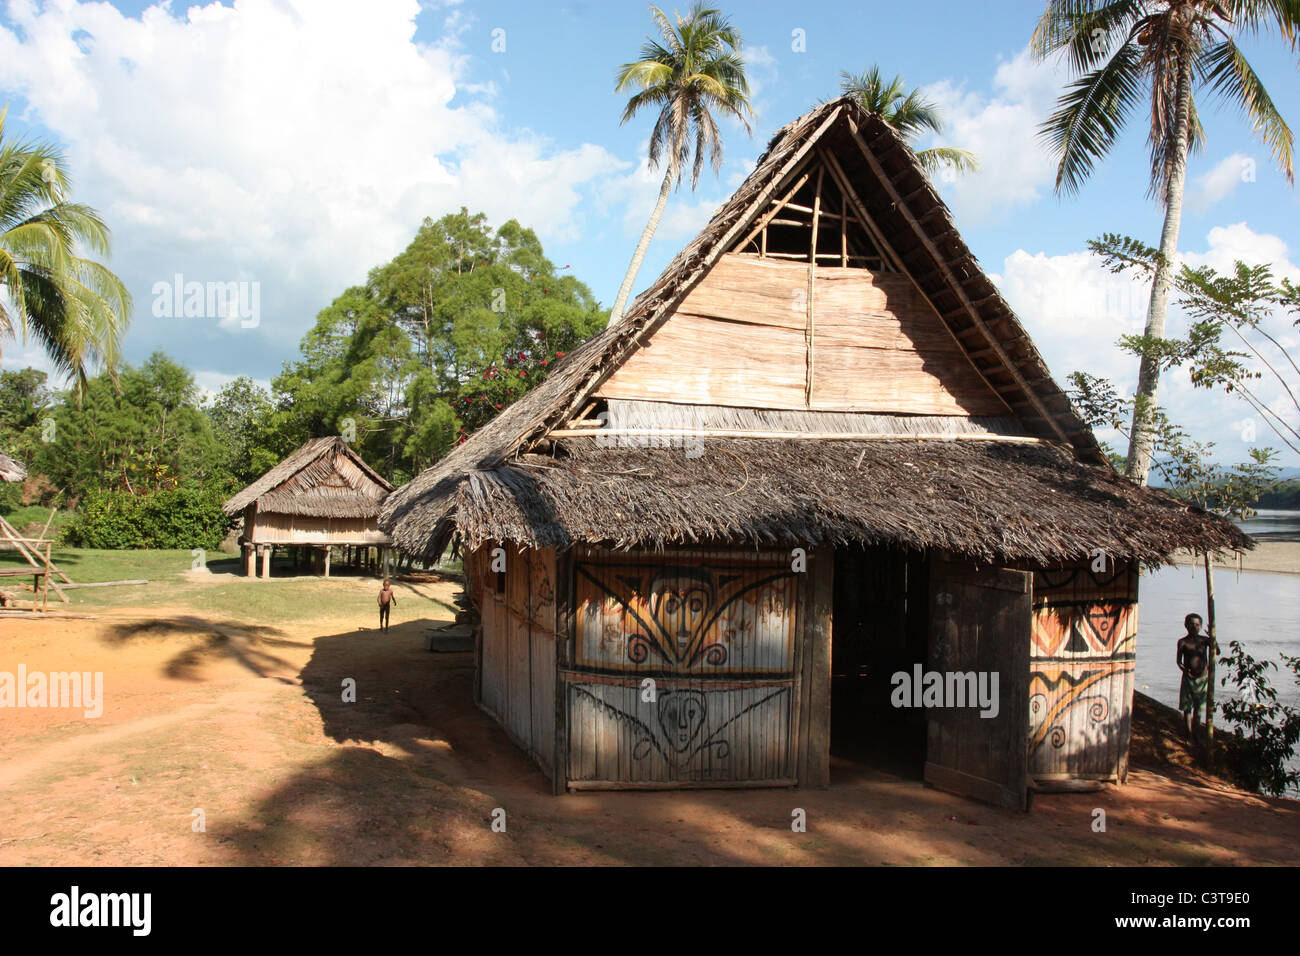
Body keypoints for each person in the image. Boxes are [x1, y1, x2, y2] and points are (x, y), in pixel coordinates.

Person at [1176, 613, 1214, 741]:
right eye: (1191, 624)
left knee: (1198, 708)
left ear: (1201, 626)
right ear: (1186, 625)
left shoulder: (1204, 640)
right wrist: (1185, 671)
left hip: (1202, 679)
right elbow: (1179, 661)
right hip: (1188, 678)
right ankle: (1188, 734)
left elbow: (1217, 651)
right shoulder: (1183, 642)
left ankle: (1196, 733)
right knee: (1187, 708)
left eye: (1197, 625)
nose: (1194, 627)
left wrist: (1212, 637)